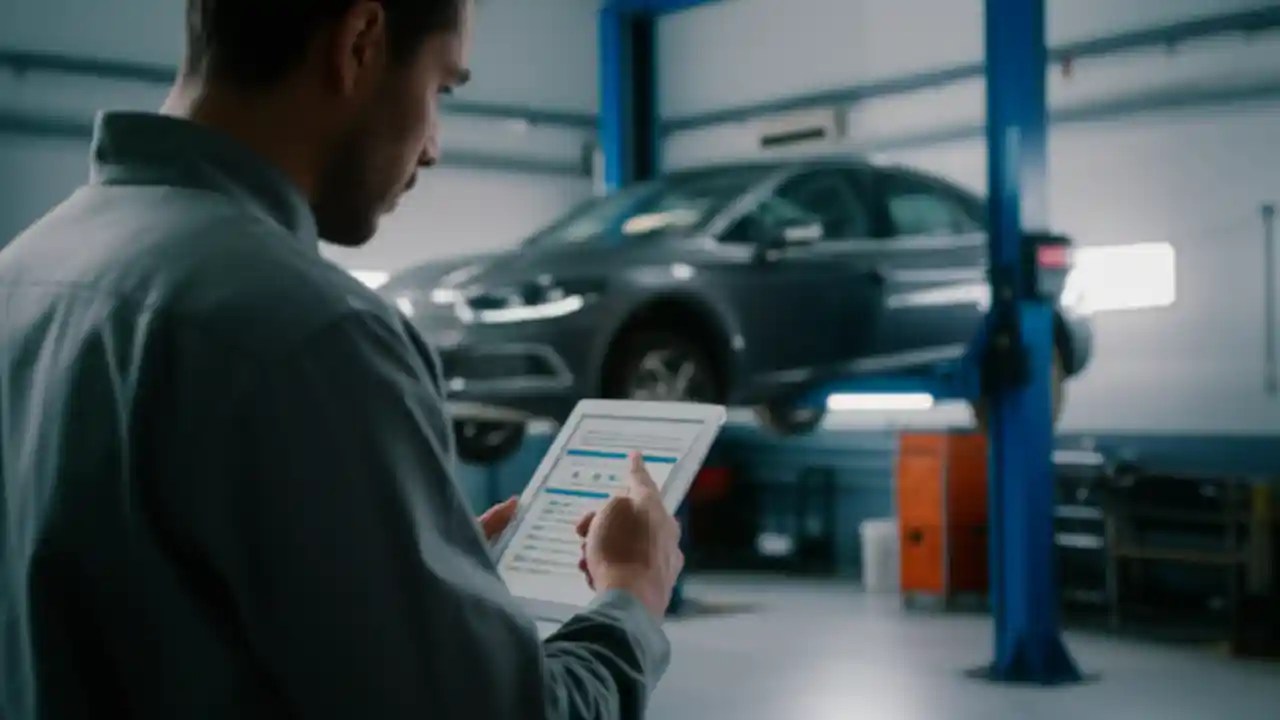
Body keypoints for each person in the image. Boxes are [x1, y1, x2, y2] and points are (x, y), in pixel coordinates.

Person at [0, 1, 685, 718]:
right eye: (440, 89)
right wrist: (631, 599)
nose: (432, 148)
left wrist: (415, 586)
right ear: (359, 41)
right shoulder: (313, 332)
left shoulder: (26, 271)